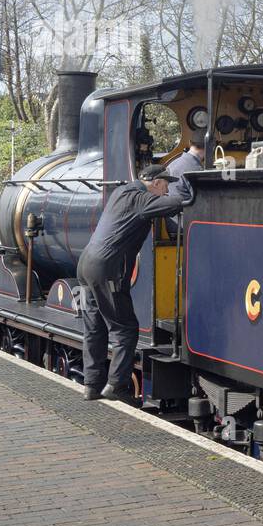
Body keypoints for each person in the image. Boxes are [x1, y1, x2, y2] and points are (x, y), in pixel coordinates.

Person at [76, 164, 192, 402]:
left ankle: (91, 385)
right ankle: (116, 386)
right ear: (156, 183)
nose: (166, 191)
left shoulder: (121, 192)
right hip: (107, 270)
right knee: (125, 329)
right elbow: (174, 204)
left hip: (86, 264)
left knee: (94, 327)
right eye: (166, 186)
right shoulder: (141, 199)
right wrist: (193, 191)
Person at [165, 129, 206, 203]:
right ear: (211, 147)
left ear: (190, 143)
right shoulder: (198, 171)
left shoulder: (172, 163)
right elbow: (204, 200)